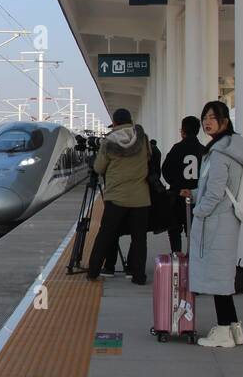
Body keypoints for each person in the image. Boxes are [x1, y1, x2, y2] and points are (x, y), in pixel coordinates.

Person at [182, 100, 243, 348]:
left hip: (215, 222)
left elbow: (215, 192)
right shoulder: (228, 147)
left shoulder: (220, 153)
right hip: (224, 221)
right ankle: (235, 328)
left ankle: (223, 332)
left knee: (217, 279)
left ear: (225, 121)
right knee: (222, 277)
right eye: (205, 118)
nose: (207, 122)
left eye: (213, 117)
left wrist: (199, 212)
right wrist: (195, 193)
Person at [87, 108, 151, 285]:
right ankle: (139, 276)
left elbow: (99, 168)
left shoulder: (108, 142)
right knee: (139, 239)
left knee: (105, 235)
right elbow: (149, 159)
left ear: (114, 123)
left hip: (116, 197)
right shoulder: (142, 138)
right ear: (130, 120)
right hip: (140, 197)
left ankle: (93, 272)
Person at [161, 116, 204, 253]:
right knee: (193, 231)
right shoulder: (203, 150)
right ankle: (192, 259)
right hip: (197, 197)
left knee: (174, 229)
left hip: (177, 196)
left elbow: (166, 169)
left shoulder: (177, 148)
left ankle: (177, 256)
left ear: (183, 131)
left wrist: (175, 185)